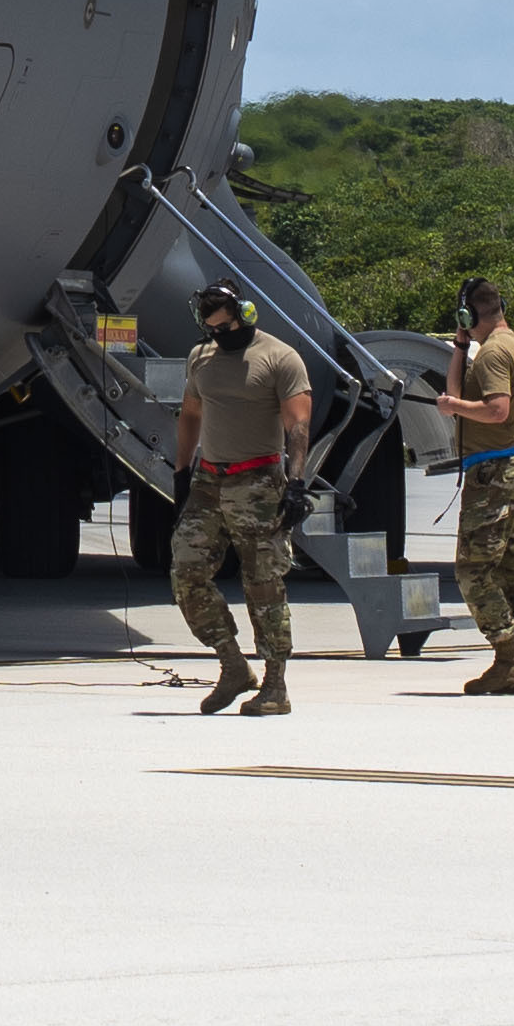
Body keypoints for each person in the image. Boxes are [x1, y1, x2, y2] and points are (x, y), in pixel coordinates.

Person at [164, 278, 316, 714]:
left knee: (263, 583)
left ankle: (275, 686)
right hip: (209, 481)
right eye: (213, 329)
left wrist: (297, 481)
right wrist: (181, 471)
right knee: (186, 572)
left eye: (227, 327)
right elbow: (190, 414)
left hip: (259, 481)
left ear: (246, 314)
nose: (221, 336)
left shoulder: (278, 357)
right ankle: (232, 665)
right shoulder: (201, 357)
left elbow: (298, 425)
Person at [439, 275, 514, 695]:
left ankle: (508, 656)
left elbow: (496, 410)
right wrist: (460, 348)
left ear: (469, 314)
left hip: (496, 475)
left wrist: (457, 406)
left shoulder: (494, 356)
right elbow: (455, 397)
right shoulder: (506, 347)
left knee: (472, 570)